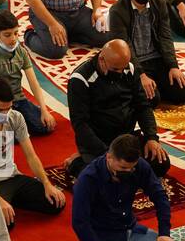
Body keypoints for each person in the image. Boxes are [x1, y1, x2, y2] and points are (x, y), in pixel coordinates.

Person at [55, 134, 178, 241]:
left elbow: (160, 196)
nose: (129, 172)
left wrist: (164, 232)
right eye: (123, 169)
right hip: (103, 238)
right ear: (109, 158)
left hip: (131, 231)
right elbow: (80, 222)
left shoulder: (139, 166)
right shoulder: (88, 178)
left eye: (132, 168)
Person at [67, 40, 169, 177]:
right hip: (100, 142)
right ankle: (77, 162)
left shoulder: (129, 69)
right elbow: (80, 124)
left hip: (126, 139)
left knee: (160, 163)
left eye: (123, 68)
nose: (121, 72)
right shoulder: (80, 79)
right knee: (109, 176)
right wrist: (107, 155)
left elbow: (142, 106)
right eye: (115, 69)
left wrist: (151, 137)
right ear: (102, 59)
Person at [0, 78, 66, 216]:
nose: (4, 114)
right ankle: (3, 204)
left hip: (12, 178)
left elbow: (31, 156)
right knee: (3, 223)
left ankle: (11, 201)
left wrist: (46, 183)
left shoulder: (16, 117)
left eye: (8, 108)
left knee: (55, 202)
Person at [106, 0, 185, 108]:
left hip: (156, 60)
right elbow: (124, 47)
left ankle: (147, 87)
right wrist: (141, 75)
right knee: (152, 100)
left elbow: (165, 37)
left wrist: (173, 66)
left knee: (182, 93)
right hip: (132, 64)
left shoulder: (159, 3)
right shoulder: (117, 11)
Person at [0, 19, 54, 139]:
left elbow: (33, 82)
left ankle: (20, 123)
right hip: (1, 104)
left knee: (45, 126)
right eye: (7, 35)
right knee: (11, 137)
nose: (13, 38)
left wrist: (44, 110)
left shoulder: (21, 52)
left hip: (19, 100)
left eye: (16, 33)